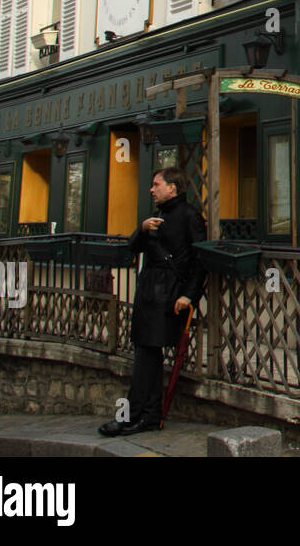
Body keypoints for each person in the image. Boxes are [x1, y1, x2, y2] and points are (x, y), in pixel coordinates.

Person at [99, 167, 206, 436]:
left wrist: (189, 295)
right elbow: (133, 247)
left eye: (157, 184)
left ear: (173, 187)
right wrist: (142, 228)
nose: (151, 189)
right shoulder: (157, 216)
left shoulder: (190, 216)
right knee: (144, 356)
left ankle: (136, 415)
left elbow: (199, 260)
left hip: (167, 294)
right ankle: (144, 415)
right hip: (148, 292)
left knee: (147, 357)